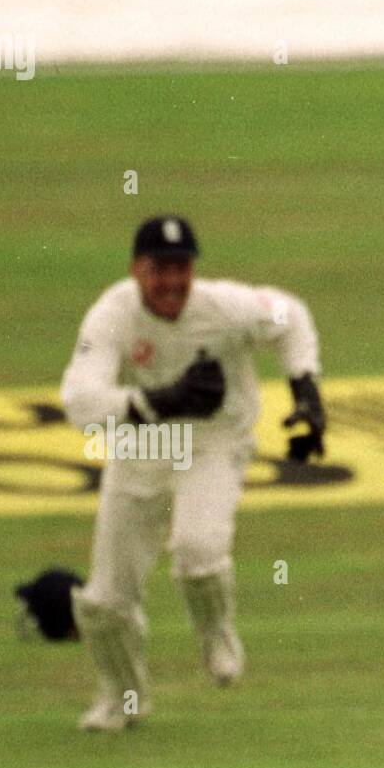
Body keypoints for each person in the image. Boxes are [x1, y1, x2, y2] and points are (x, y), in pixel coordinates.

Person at [60, 215, 326, 731]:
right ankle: (124, 700)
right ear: (137, 269)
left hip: (212, 441)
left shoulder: (224, 307)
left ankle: (216, 636)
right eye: (159, 269)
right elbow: (80, 401)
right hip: (143, 445)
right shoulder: (113, 313)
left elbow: (290, 316)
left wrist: (307, 394)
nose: (172, 282)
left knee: (198, 550)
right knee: (103, 602)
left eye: (181, 268)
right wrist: (158, 400)